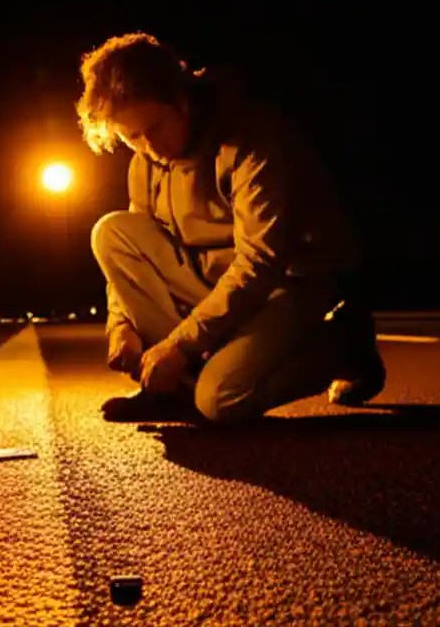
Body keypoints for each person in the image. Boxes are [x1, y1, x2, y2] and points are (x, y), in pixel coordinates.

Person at [77, 32, 385, 423]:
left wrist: (180, 345)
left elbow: (261, 260)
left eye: (155, 126)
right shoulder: (147, 161)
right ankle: (172, 389)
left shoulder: (252, 138)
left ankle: (345, 345)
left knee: (220, 400)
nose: (150, 146)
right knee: (112, 232)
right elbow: (138, 245)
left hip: (288, 283)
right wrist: (121, 327)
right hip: (216, 283)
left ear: (181, 99)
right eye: (132, 136)